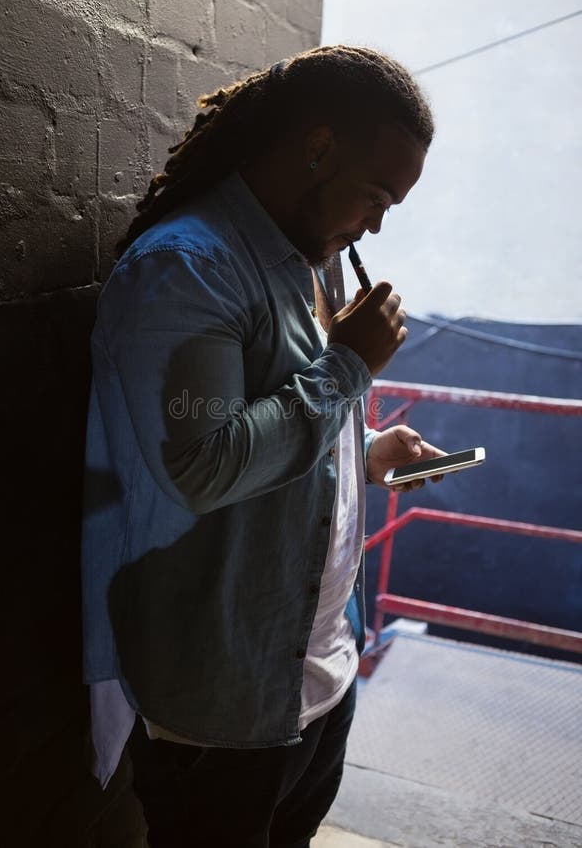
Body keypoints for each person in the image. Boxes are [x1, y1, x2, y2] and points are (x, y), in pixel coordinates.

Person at [81, 44, 444, 847]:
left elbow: (291, 426)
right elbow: (204, 467)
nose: (377, 223)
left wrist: (367, 452)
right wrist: (350, 363)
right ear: (316, 148)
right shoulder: (186, 269)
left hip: (318, 677)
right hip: (224, 710)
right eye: (375, 194)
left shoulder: (317, 260)